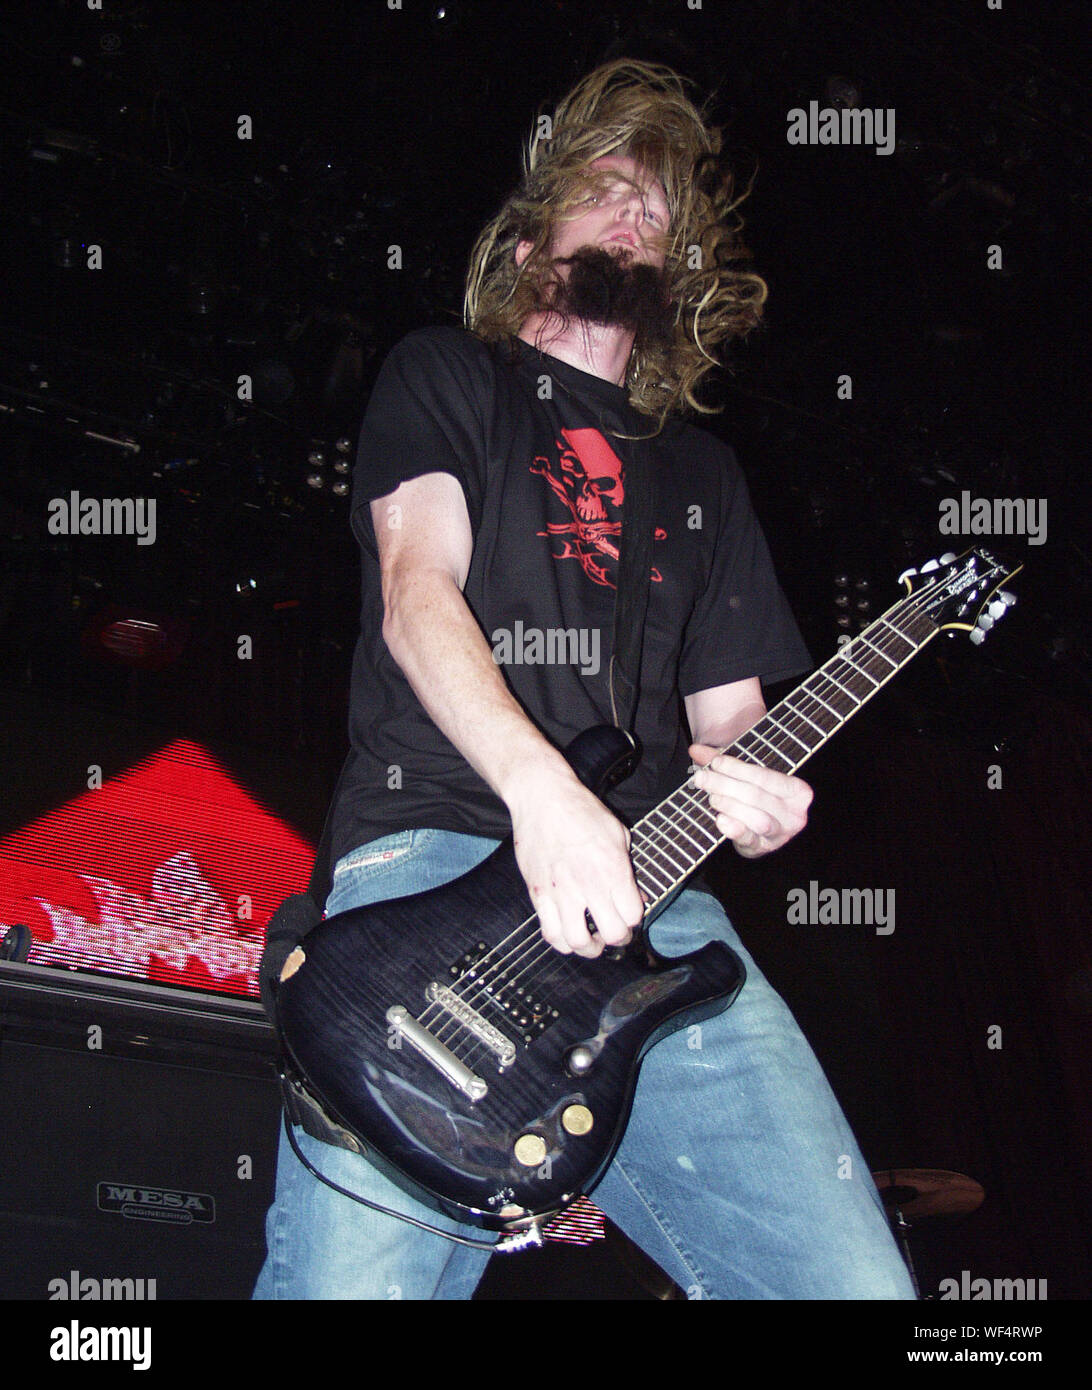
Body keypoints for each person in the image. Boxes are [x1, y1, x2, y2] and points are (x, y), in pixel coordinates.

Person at [254, 59, 915, 1300]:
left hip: (656, 913)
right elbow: (416, 590)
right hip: (437, 858)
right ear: (529, 239)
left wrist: (762, 803)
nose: (635, 215)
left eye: (660, 211)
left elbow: (731, 731)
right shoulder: (450, 374)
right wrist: (542, 794)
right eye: (607, 188)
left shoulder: (709, 478)